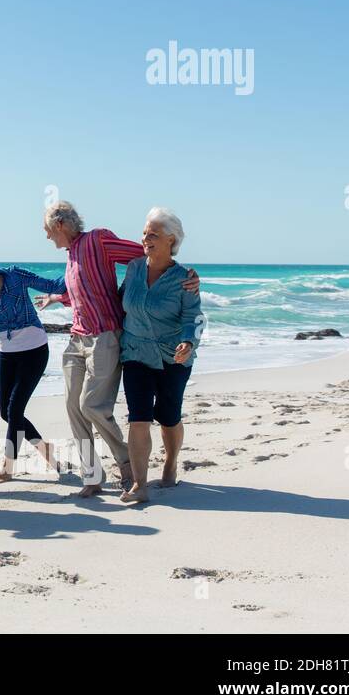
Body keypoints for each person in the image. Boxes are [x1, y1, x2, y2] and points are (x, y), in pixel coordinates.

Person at [35, 201, 199, 497]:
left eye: (47, 230)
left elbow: (142, 253)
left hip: (106, 337)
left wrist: (183, 271)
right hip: (83, 340)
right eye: (145, 234)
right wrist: (59, 298)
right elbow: (93, 292)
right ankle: (94, 476)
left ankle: (131, 465)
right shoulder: (73, 256)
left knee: (98, 407)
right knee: (75, 407)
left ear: (60, 225)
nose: (47, 237)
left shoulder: (98, 240)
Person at [0, 244, 67, 485]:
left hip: (35, 349)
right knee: (5, 413)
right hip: (8, 354)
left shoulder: (15, 275)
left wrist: (77, 268)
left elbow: (52, 286)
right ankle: (46, 451)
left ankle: (7, 467)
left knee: (15, 411)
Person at [118, 208, 203, 503]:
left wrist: (188, 343)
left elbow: (193, 316)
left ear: (171, 240)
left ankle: (170, 462)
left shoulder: (185, 279)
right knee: (138, 417)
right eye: (144, 233)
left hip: (172, 357)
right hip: (135, 353)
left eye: (153, 234)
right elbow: (118, 299)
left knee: (168, 417)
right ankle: (139, 485)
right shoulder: (133, 268)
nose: (145, 238)